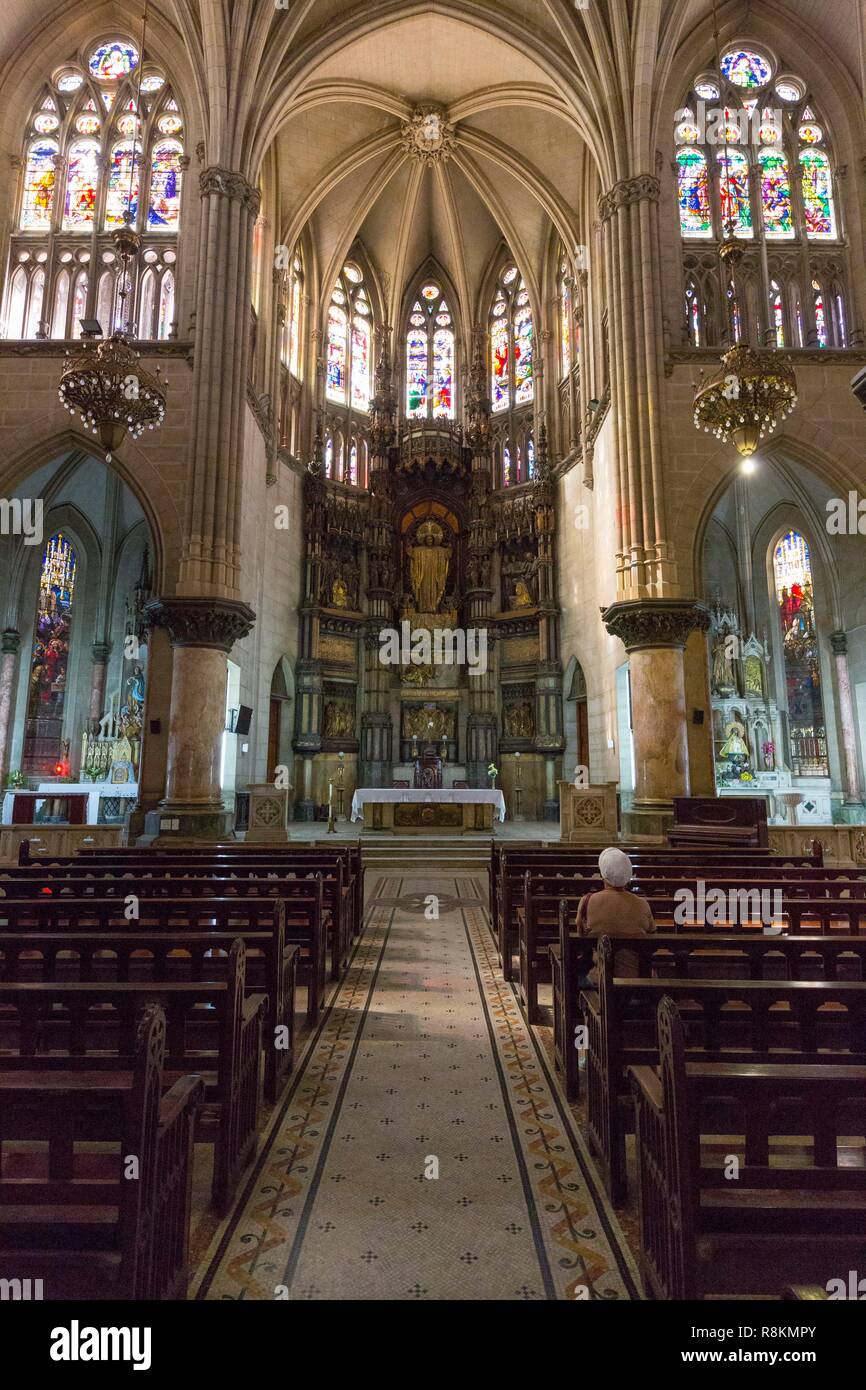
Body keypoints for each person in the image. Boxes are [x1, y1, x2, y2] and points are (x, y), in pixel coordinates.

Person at [576, 847, 656, 984]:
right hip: (638, 979)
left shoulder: (587, 902)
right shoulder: (642, 904)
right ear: (628, 876)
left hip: (599, 979)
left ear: (602, 875)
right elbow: (652, 938)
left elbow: (581, 937)